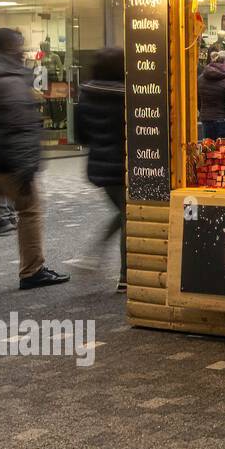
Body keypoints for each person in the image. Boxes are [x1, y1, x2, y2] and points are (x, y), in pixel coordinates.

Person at [0, 27, 70, 289]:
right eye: (21, 46)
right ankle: (32, 270)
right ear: (12, 48)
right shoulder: (11, 80)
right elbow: (22, 128)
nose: (25, 51)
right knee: (29, 211)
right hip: (9, 162)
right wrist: (27, 169)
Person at [75, 47, 127, 289]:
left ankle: (95, 255)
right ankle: (125, 275)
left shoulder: (86, 94)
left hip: (99, 164)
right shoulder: (127, 95)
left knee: (125, 213)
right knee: (129, 216)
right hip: (124, 163)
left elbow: (81, 135)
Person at [198, 50, 225, 140]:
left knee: (209, 150)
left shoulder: (202, 78)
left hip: (206, 121)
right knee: (224, 152)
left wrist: (205, 113)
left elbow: (198, 100)